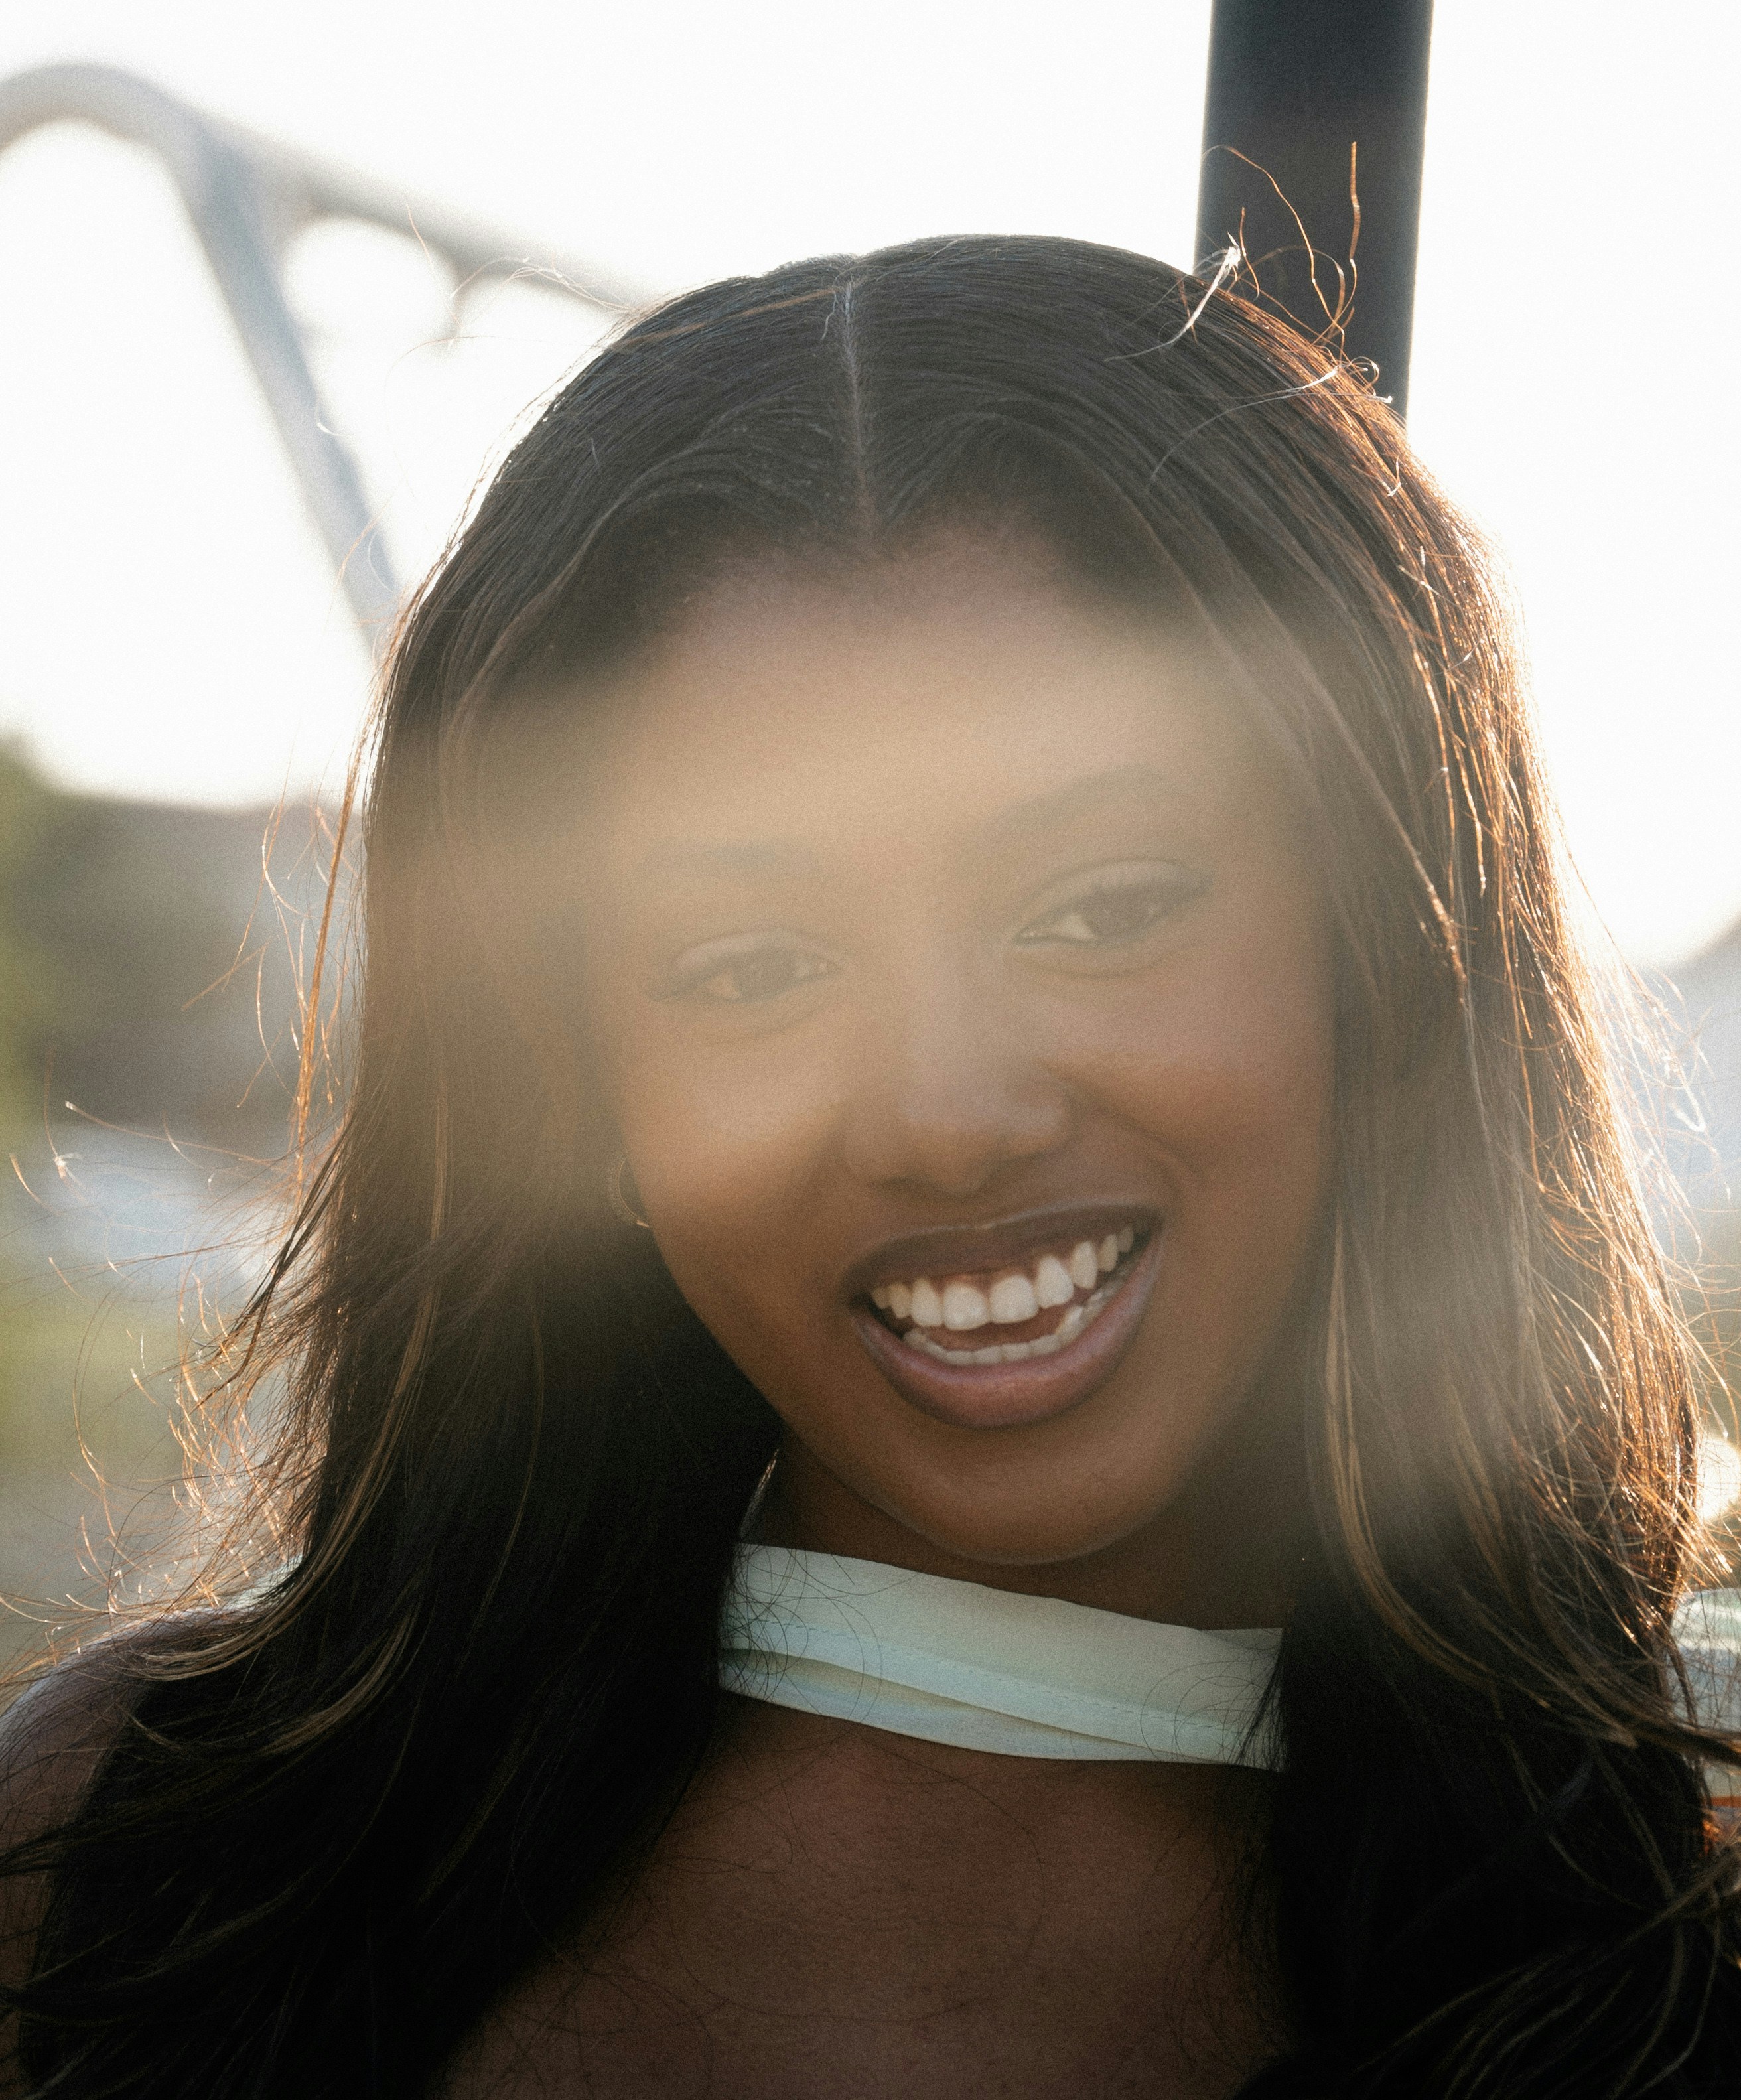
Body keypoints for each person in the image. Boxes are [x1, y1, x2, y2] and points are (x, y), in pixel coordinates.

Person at [2, 234, 1738, 2097]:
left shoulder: (1680, 1909)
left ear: (1393, 951)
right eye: (749, 969)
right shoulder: (158, 1854)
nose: (940, 1110)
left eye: (1104, 906)